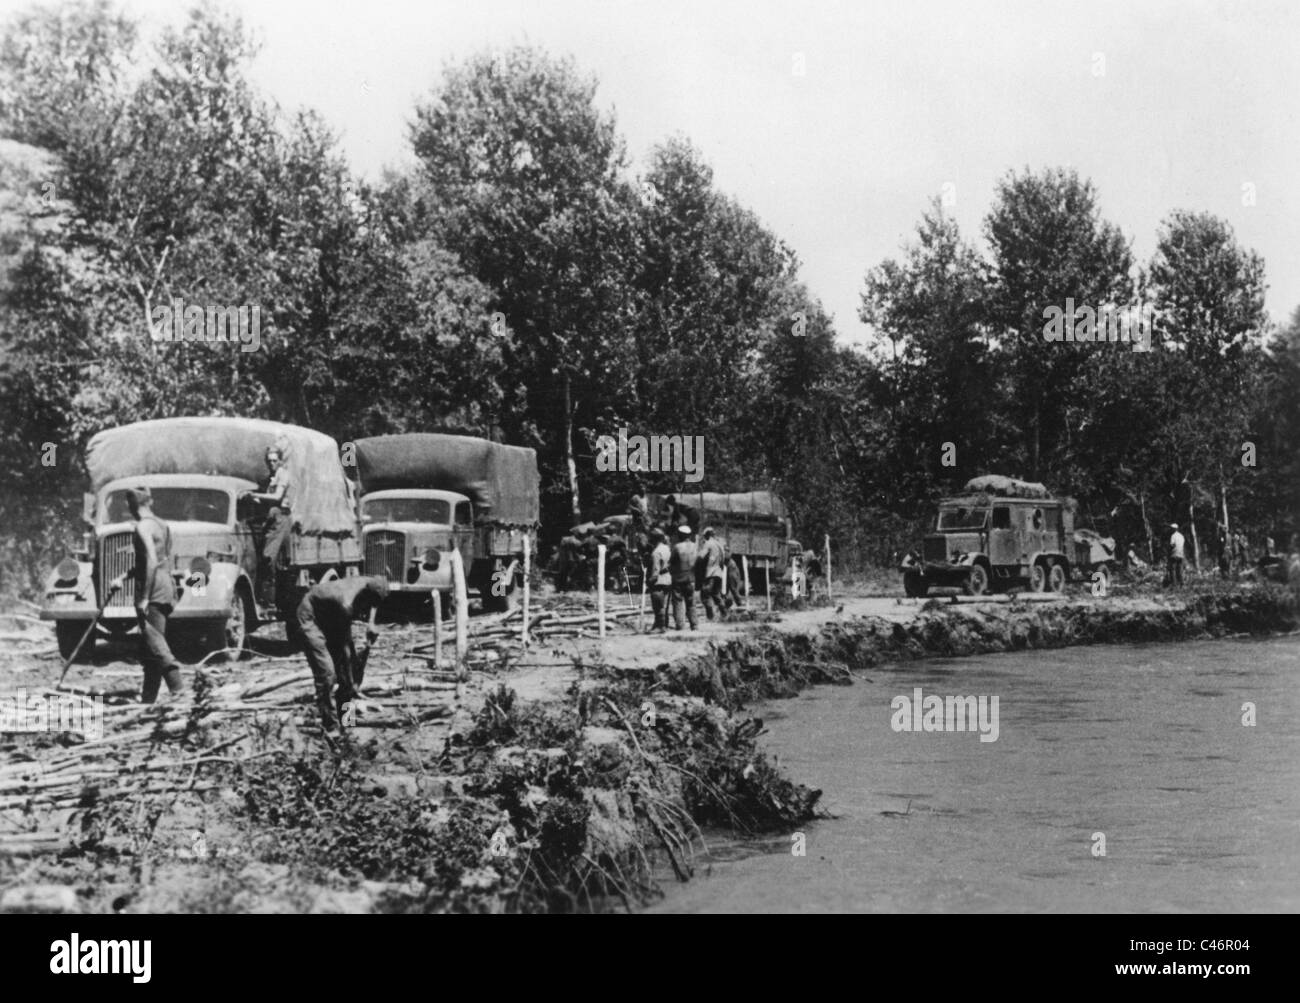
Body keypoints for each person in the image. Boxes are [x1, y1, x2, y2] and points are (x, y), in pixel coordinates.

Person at [296, 575, 389, 738]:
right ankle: (330, 726)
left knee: (347, 680)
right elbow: (345, 645)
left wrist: (371, 624)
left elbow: (375, 603)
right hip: (310, 616)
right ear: (365, 596)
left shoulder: (372, 583)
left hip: (331, 616)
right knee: (327, 675)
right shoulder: (346, 603)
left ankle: (347, 723)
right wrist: (353, 675)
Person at [121, 487, 186, 703]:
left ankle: (179, 692)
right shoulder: (162, 524)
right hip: (166, 586)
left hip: (153, 591)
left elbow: (150, 560)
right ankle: (148, 701)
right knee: (151, 649)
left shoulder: (142, 527)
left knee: (156, 644)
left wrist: (144, 597)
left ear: (132, 504)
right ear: (150, 502)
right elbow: (161, 558)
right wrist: (124, 576)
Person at [250, 445, 293, 608]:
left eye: (275, 460)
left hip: (281, 517)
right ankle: (265, 597)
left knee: (269, 557)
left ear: (280, 461)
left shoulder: (283, 475)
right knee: (263, 558)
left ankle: (270, 600)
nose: (272, 464)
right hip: (271, 518)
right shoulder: (270, 478)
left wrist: (257, 495)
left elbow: (277, 497)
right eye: (269, 461)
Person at [668, 525, 698, 631]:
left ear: (680, 535)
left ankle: (680, 625)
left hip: (679, 578)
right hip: (691, 578)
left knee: (678, 602)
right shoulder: (695, 547)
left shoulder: (677, 547)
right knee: (691, 603)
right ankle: (694, 625)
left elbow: (671, 562)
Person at [696, 527, 726, 621]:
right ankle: (724, 613)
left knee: (705, 595)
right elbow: (723, 561)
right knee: (716, 594)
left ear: (707, 535)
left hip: (710, 573)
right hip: (719, 573)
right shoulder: (720, 545)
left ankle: (710, 616)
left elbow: (700, 557)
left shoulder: (708, 544)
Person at [647, 528, 671, 632]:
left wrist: (649, 582)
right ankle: (662, 624)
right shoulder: (667, 548)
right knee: (664, 605)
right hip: (668, 579)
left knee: (658, 605)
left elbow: (655, 571)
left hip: (659, 581)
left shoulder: (656, 553)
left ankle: (660, 626)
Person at [1168, 523, 1186, 587]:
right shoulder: (1181, 536)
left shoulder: (1173, 536)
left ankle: (1174, 585)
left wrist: (1169, 551)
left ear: (1173, 529)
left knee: (1172, 569)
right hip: (1181, 554)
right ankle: (1182, 583)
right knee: (1180, 570)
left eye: (1171, 528)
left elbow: (1172, 544)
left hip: (1174, 554)